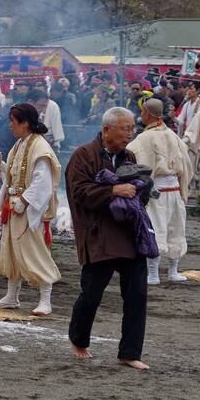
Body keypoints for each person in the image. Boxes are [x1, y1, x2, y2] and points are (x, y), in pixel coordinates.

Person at [66, 107, 150, 370]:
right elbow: (79, 192)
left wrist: (139, 189)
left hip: (129, 234)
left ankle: (129, 352)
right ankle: (79, 340)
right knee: (91, 294)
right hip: (99, 235)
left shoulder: (130, 156)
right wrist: (113, 190)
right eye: (125, 129)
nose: (130, 133)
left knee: (137, 295)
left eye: (131, 129)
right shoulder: (84, 155)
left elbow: (138, 194)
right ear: (106, 129)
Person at [0, 102, 60, 316]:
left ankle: (45, 299)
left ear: (25, 123)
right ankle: (12, 296)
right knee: (12, 250)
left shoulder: (40, 147)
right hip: (14, 207)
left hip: (28, 209)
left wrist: (25, 201)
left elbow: (42, 182)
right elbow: (14, 173)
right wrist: (1, 163)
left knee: (35, 251)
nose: (10, 126)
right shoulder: (20, 144)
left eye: (13, 121)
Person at [127, 98, 192, 286]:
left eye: (142, 112)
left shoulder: (144, 138)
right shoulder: (173, 135)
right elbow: (187, 164)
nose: (141, 116)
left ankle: (154, 273)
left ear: (147, 113)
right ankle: (172, 271)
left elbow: (136, 162)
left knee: (155, 229)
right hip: (174, 189)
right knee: (174, 228)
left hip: (156, 191)